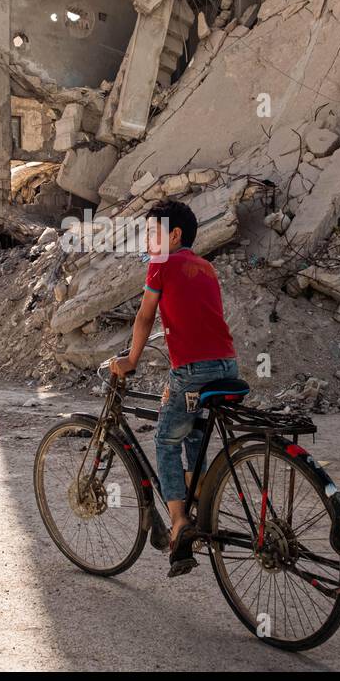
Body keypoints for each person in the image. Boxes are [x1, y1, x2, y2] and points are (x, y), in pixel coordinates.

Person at [110, 199, 238, 577]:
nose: (147, 239)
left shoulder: (161, 264)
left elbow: (146, 316)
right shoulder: (206, 267)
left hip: (194, 370)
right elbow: (198, 323)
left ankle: (180, 523)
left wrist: (130, 360)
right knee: (193, 427)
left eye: (152, 231)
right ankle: (197, 490)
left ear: (174, 235)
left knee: (166, 439)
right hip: (226, 365)